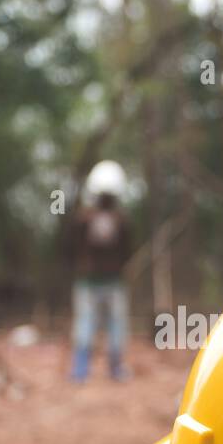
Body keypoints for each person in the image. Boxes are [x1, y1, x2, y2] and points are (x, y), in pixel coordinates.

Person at [65, 160, 132, 382]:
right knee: (107, 325)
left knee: (95, 324)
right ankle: (100, 370)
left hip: (99, 282)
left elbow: (71, 247)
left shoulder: (83, 218)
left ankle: (83, 371)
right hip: (102, 282)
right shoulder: (121, 220)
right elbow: (127, 251)